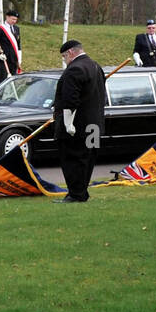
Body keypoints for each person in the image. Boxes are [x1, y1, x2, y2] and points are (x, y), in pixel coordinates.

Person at [52, 40, 106, 204]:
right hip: (95, 124)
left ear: (70, 53)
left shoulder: (74, 69)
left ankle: (76, 193)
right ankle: (81, 192)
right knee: (88, 160)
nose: (64, 60)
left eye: (64, 57)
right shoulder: (97, 67)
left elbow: (70, 100)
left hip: (77, 125)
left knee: (72, 159)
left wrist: (68, 124)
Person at [0, 10, 23, 87]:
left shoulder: (16, 29)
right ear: (7, 17)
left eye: (15, 20)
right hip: (4, 59)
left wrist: (19, 59)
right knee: (2, 80)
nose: (14, 21)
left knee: (13, 80)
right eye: (12, 19)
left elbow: (18, 45)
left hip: (14, 59)